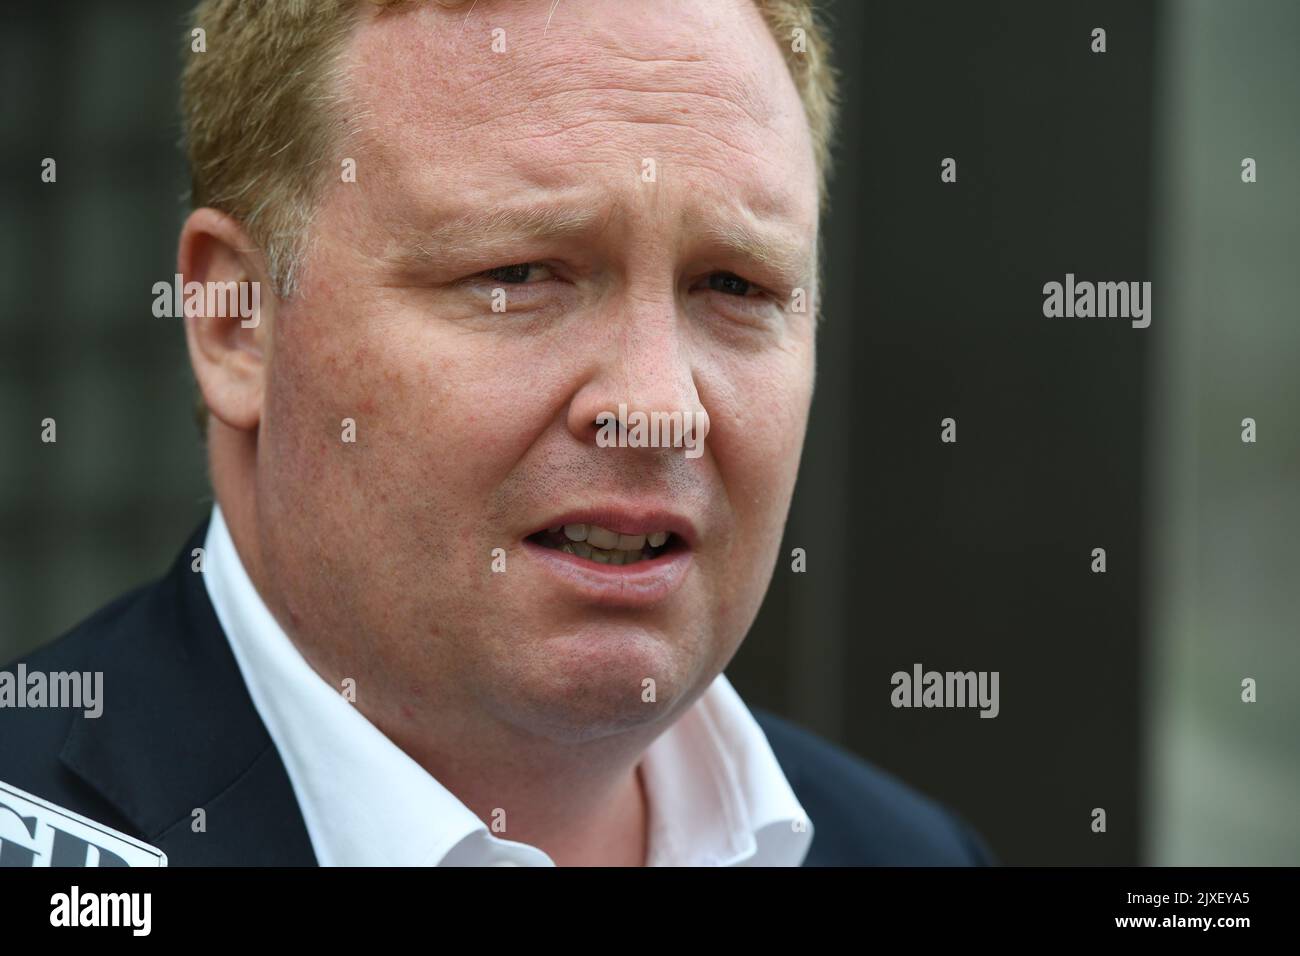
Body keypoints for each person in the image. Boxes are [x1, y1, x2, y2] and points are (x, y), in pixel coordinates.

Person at [0, 0, 992, 867]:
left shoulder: (912, 852)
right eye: (519, 274)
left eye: (734, 286)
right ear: (237, 318)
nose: (658, 406)